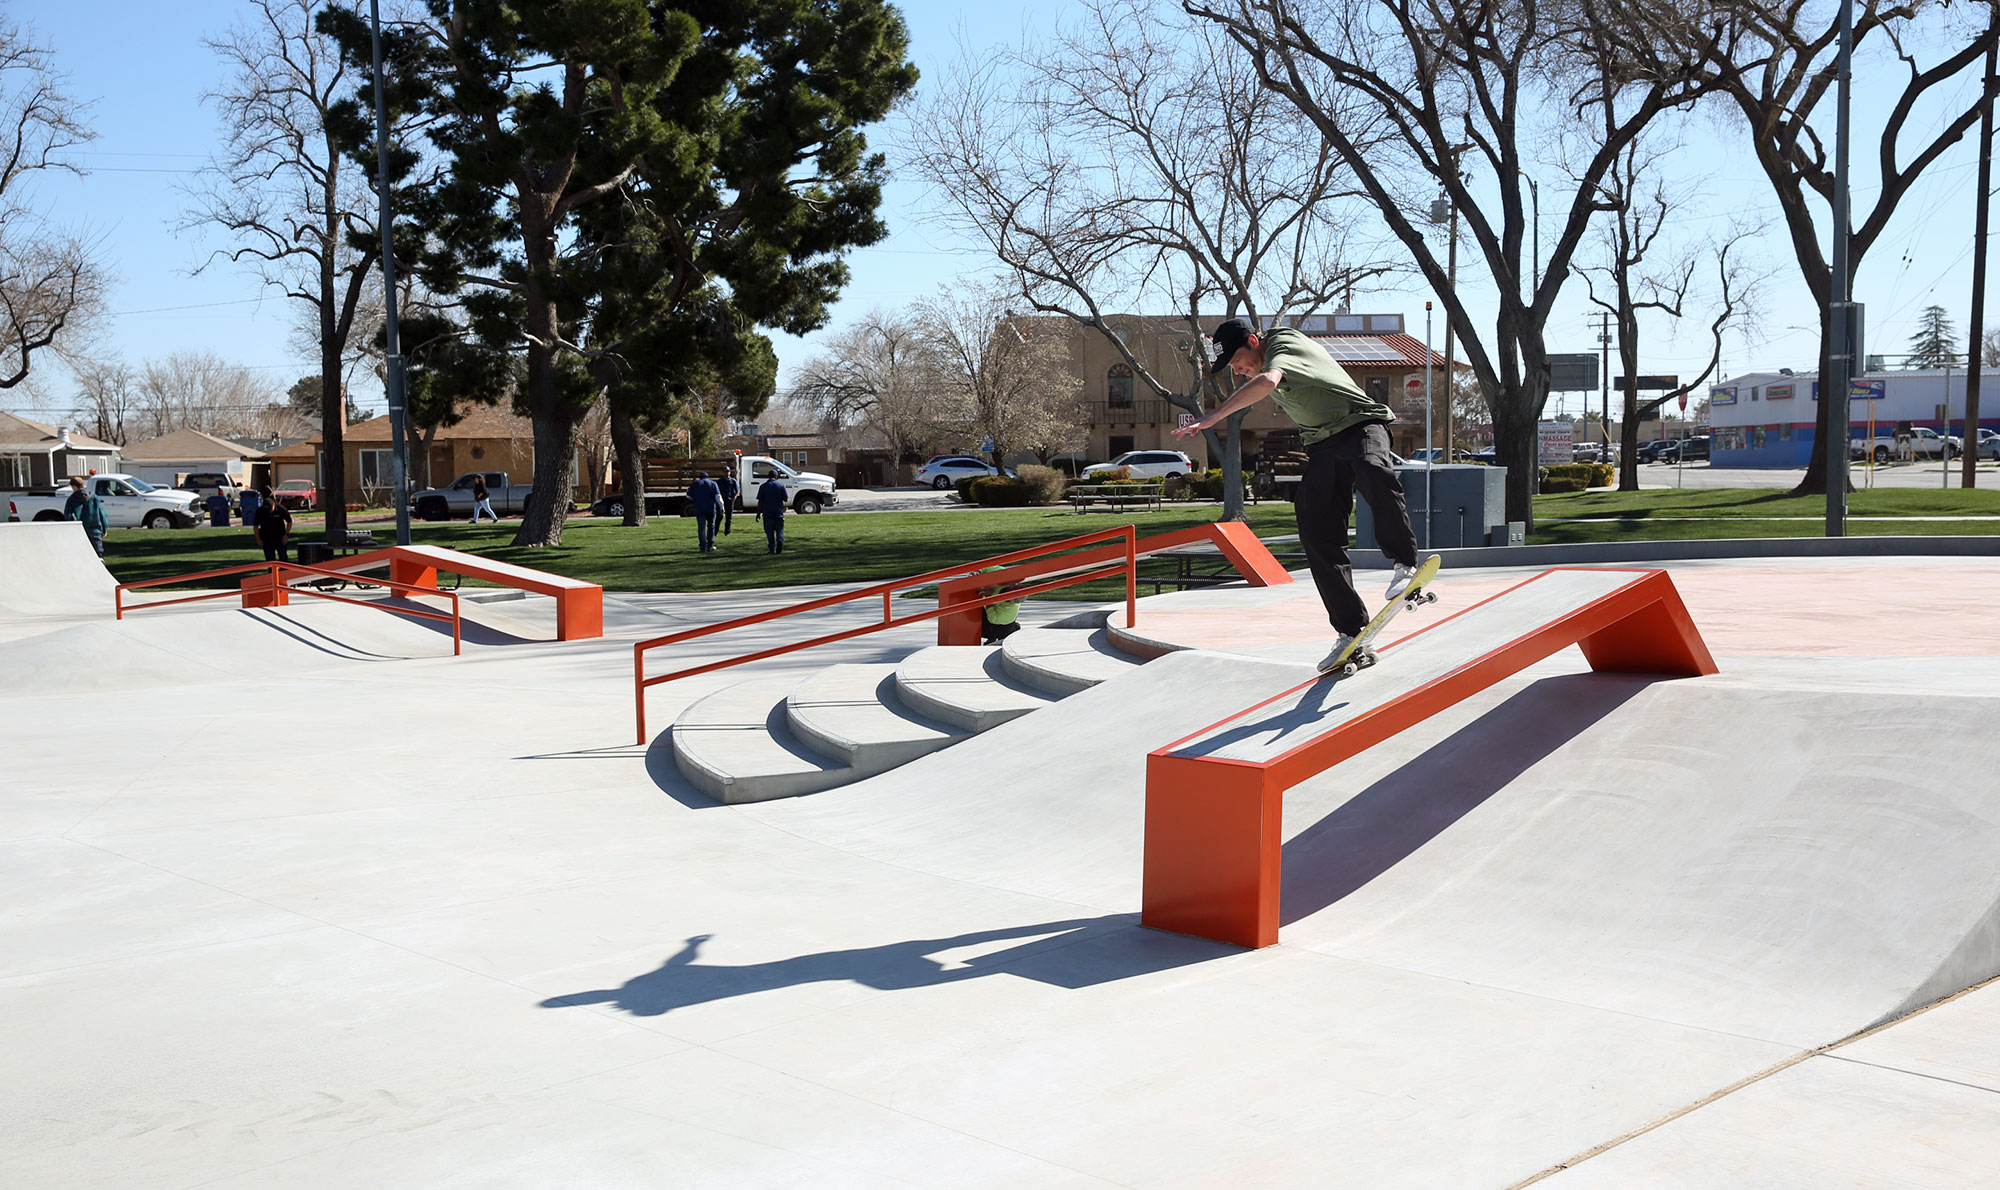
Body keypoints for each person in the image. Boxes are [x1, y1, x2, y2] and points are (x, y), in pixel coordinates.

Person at [1174, 318, 1421, 671]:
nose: (1239, 370)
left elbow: (1267, 380)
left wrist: (1214, 416)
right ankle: (1350, 631)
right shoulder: (1263, 360)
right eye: (1232, 367)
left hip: (1362, 424)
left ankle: (1405, 563)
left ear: (1255, 341)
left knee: (1371, 468)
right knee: (1315, 528)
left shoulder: (1283, 344)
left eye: (1237, 360)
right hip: (1322, 443)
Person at [63, 477, 109, 557]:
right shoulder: (94, 497)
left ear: (74, 486)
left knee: (83, 553)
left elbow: (68, 515)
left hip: (81, 529)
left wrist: (74, 525)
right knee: (98, 552)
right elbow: (102, 513)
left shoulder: (72, 499)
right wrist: (104, 528)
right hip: (95, 529)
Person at [977, 565, 1021, 644]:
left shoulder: (1003, 616)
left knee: (1000, 635)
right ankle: (996, 635)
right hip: (1003, 621)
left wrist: (988, 597)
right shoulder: (1004, 575)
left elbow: (991, 618)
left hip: (1001, 626)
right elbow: (987, 567)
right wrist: (978, 571)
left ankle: (993, 636)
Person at [253, 483, 293, 562]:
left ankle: (284, 573)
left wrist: (286, 535)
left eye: (270, 509)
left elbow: (289, 522)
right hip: (266, 537)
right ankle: (271, 573)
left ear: (273, 505)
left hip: (280, 536)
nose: (269, 511)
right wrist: (258, 539)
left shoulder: (281, 509)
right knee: (269, 559)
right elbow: (255, 526)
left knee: (283, 558)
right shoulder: (260, 511)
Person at [753, 470, 788, 554]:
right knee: (780, 529)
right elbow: (785, 499)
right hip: (778, 512)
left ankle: (772, 549)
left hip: (767, 512)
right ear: (776, 476)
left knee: (769, 531)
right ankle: (779, 539)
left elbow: (760, 501)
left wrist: (758, 513)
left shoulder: (763, 486)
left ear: (768, 476)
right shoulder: (780, 486)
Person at [688, 470, 723, 553]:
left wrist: (696, 500)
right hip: (711, 509)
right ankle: (710, 545)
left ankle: (702, 547)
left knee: (701, 528)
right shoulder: (713, 484)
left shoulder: (695, 484)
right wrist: (722, 507)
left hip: (699, 509)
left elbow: (689, 497)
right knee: (711, 526)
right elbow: (718, 497)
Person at [716, 469, 739, 536]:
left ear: (730, 472)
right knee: (719, 517)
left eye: (728, 472)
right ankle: (715, 531)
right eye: (725, 472)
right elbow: (716, 491)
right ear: (723, 472)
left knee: (729, 518)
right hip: (721, 501)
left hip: (730, 501)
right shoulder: (720, 481)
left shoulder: (733, 481)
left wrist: (734, 499)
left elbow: (737, 491)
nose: (726, 473)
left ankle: (727, 532)